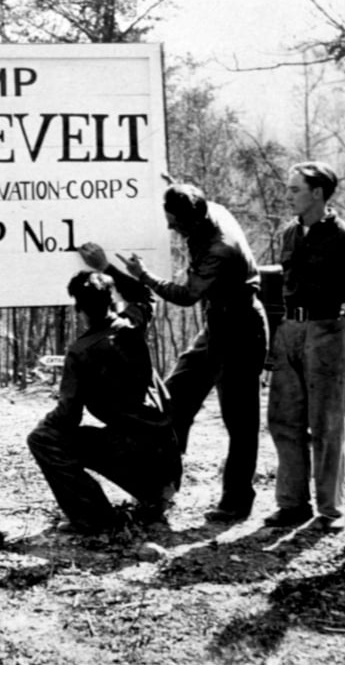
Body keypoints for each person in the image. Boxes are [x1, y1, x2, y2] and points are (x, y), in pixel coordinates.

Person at [119, 184, 268, 523]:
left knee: (240, 422)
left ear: (191, 218)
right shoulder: (206, 208)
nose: (170, 228)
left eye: (175, 223)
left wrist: (144, 276)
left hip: (242, 331)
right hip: (218, 324)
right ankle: (161, 487)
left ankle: (237, 500)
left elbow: (186, 295)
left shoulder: (220, 249)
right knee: (172, 402)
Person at [26, 243, 182, 536]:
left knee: (42, 439)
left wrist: (43, 423)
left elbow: (67, 417)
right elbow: (144, 294)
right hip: (166, 456)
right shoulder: (132, 326)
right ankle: (155, 495)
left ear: (78, 309)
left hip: (138, 457)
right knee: (118, 438)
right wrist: (106, 266)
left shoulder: (81, 352)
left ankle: (96, 520)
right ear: (111, 302)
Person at [264, 162, 345, 532]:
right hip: (289, 331)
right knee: (283, 419)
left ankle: (329, 508)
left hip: (327, 330)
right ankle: (292, 503)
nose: (288, 195)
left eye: (295, 189)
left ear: (317, 194)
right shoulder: (290, 235)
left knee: (326, 422)